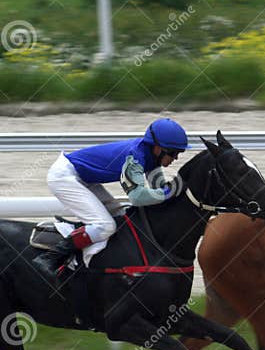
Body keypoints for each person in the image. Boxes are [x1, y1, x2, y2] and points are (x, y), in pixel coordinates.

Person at [33, 118, 191, 276]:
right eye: (173, 152)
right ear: (157, 148)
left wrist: (179, 192)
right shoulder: (134, 157)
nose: (175, 158)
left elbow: (159, 189)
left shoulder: (151, 157)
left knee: (121, 217)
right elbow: (138, 197)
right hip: (64, 177)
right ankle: (50, 258)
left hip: (83, 178)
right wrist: (171, 191)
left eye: (178, 153)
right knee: (105, 226)